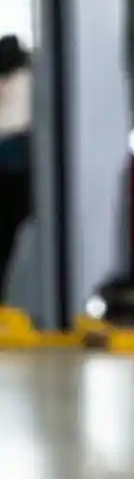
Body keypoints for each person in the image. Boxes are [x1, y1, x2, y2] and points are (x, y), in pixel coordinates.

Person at [0, 34, 33, 297]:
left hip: (11, 167)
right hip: (18, 170)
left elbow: (11, 123)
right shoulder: (27, 80)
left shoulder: (19, 82)